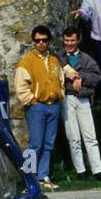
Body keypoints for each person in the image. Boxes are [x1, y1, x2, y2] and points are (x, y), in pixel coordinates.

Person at [15, 26, 63, 190]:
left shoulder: (54, 60)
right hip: (37, 107)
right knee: (35, 144)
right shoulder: (27, 61)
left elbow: (60, 79)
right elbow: (20, 86)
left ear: (48, 41)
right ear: (33, 42)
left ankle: (43, 176)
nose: (41, 43)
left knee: (48, 144)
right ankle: (29, 179)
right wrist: (31, 100)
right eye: (37, 40)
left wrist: (60, 94)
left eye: (44, 40)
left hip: (53, 105)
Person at [58, 27, 101, 180]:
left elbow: (97, 76)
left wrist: (80, 78)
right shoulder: (58, 57)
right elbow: (54, 75)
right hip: (67, 98)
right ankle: (81, 171)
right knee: (73, 136)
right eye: (67, 40)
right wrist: (69, 78)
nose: (69, 43)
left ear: (78, 40)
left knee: (90, 135)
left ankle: (98, 170)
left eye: (72, 40)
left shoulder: (86, 59)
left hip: (83, 98)